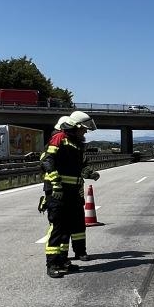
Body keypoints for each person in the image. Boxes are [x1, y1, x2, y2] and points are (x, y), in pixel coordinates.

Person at [40, 110, 99, 278]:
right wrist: (56, 184)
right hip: (58, 192)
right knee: (57, 228)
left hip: (72, 192)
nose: (85, 132)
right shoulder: (60, 138)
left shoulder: (76, 144)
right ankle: (52, 264)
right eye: (84, 129)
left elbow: (78, 167)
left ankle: (63, 261)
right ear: (76, 127)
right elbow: (47, 160)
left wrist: (88, 174)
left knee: (66, 228)